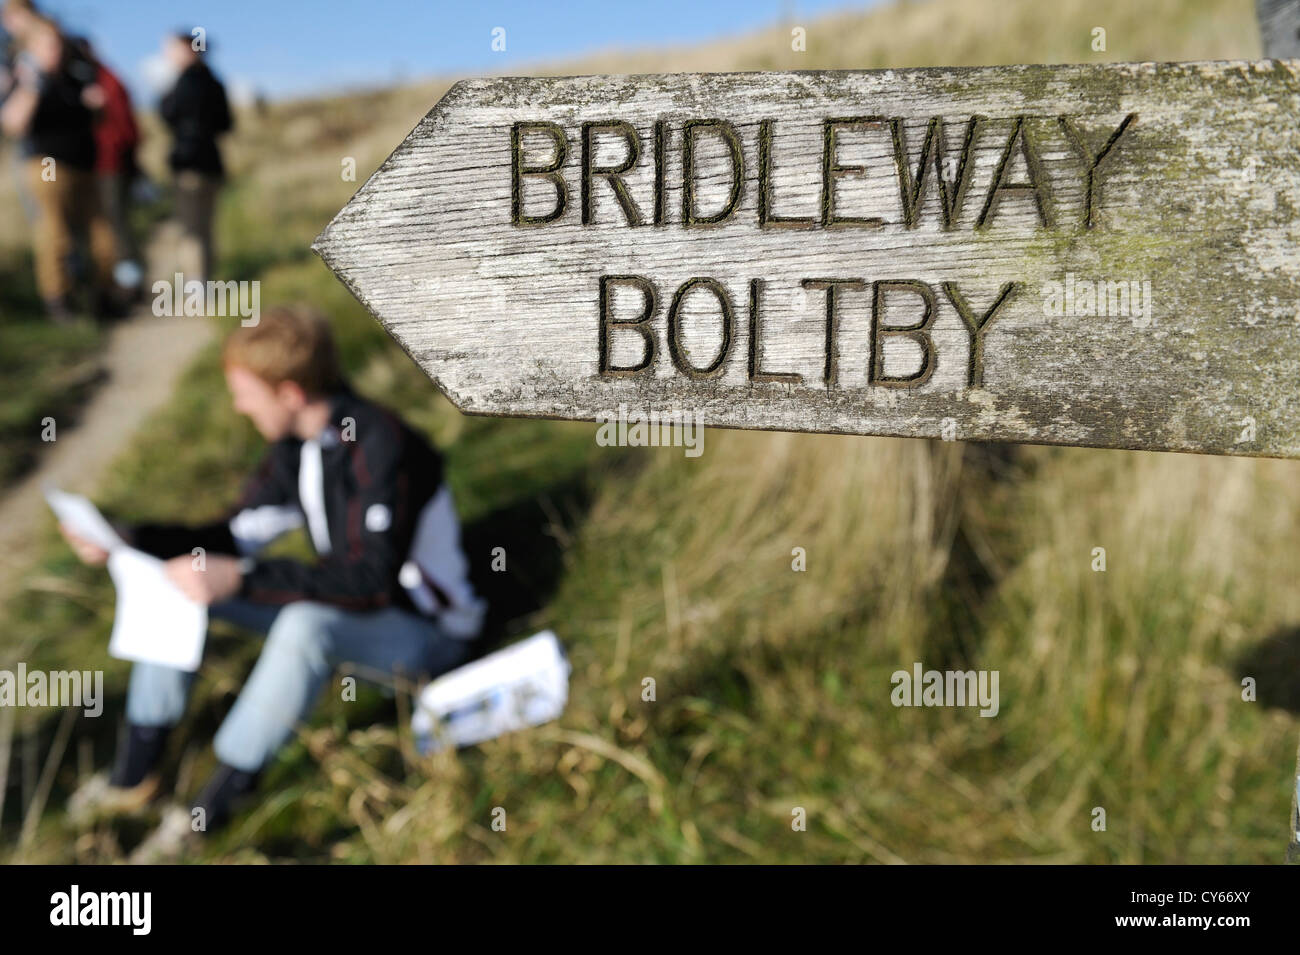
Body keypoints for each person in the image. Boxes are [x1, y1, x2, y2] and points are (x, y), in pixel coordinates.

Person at [59, 305, 488, 861]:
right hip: (359, 612)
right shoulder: (296, 446)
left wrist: (242, 577)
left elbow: (370, 579)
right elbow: (230, 536)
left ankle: (205, 816)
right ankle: (134, 778)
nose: (238, 406)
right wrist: (126, 537)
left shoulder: (383, 447)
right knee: (180, 583)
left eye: (245, 393)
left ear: (288, 393)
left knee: (307, 626)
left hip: (428, 636)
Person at [0, 8, 119, 321]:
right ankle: (60, 302)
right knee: (56, 232)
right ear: (32, 49)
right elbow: (13, 124)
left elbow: (98, 120)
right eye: (47, 46)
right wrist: (31, 87)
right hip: (48, 163)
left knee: (103, 235)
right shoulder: (24, 78)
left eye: (57, 45)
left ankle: (103, 297)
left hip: (84, 163)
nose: (55, 51)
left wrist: (96, 106)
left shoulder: (76, 76)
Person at [72, 36, 143, 300]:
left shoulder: (106, 81)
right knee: (107, 227)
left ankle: (130, 285)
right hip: (96, 164)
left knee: (117, 226)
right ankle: (106, 285)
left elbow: (125, 129)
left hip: (110, 164)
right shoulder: (91, 80)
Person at [158, 30, 232, 284]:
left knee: (191, 228)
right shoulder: (215, 82)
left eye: (171, 49)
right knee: (206, 227)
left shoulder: (182, 82)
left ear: (188, 50)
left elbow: (167, 113)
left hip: (189, 163)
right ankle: (205, 281)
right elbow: (226, 124)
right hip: (212, 161)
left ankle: (196, 283)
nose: (167, 54)